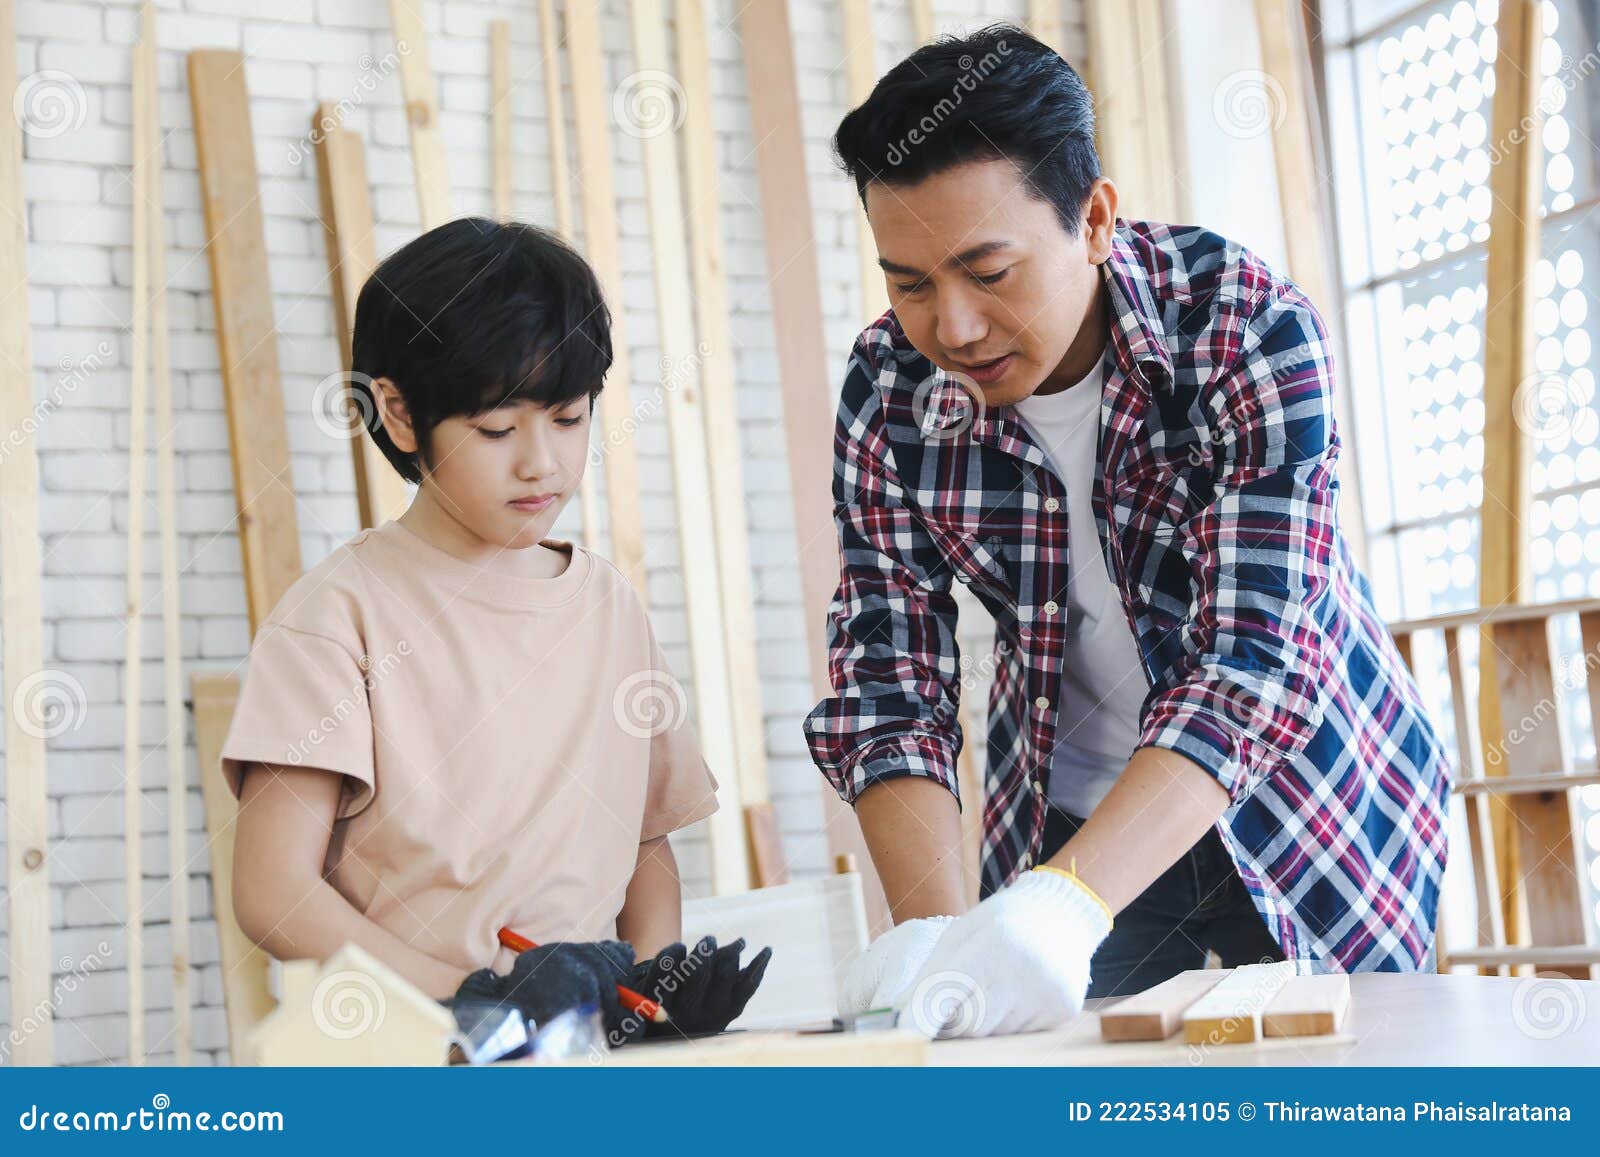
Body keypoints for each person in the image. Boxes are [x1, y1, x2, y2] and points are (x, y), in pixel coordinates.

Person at [807, 26, 1451, 1038]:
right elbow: (887, 675)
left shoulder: (1243, 328)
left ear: (1095, 217)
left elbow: (1250, 662)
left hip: (1306, 803)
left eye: (988, 270)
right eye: (910, 282)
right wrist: (933, 936)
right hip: (1073, 817)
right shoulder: (887, 388)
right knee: (1055, 1089)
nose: (955, 328)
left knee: (1332, 1087)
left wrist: (1061, 907)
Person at [221, 218, 766, 1038]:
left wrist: (648, 993)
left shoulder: (610, 609)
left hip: (575, 1050)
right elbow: (272, 890)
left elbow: (646, 848)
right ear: (401, 417)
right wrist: (468, 998)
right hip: (398, 1054)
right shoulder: (337, 617)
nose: (540, 462)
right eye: (497, 430)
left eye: (570, 418)